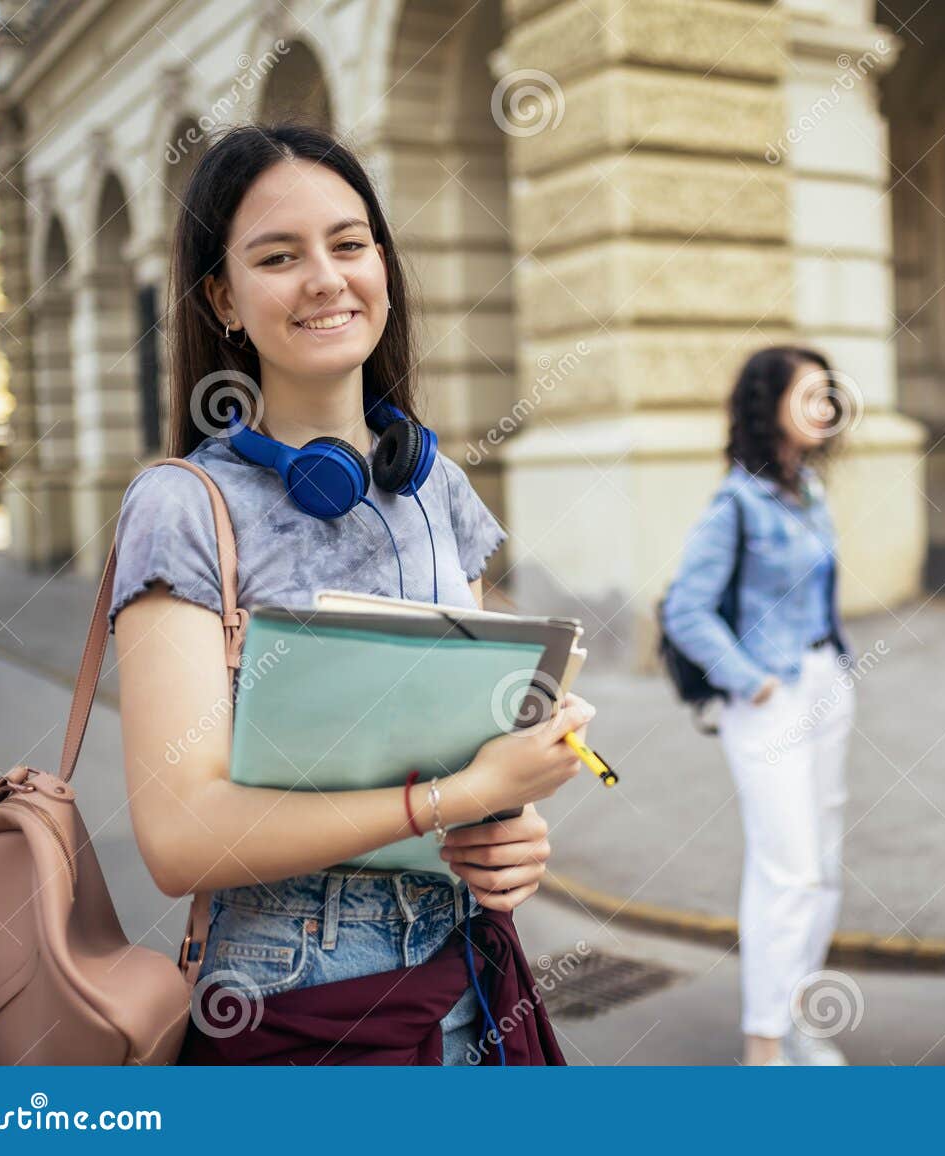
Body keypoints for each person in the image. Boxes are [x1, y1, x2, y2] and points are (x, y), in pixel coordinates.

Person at [110, 124, 594, 1064]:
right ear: (225, 298)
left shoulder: (437, 485)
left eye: (349, 242)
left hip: (471, 977)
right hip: (296, 992)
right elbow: (178, 839)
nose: (326, 278)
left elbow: (486, 754)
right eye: (278, 256)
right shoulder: (180, 506)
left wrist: (512, 830)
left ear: (382, 263)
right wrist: (453, 797)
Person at [662, 347, 856, 1066]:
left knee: (825, 863)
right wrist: (753, 682)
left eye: (828, 395)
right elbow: (687, 610)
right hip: (769, 696)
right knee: (788, 866)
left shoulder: (809, 490)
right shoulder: (735, 502)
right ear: (767, 404)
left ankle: (798, 1011)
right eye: (809, 394)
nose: (825, 409)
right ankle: (764, 1047)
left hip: (825, 681)